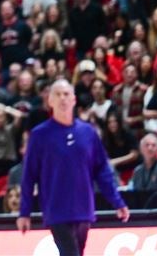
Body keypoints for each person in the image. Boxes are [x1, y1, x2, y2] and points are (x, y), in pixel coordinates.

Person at [18, 80, 129, 256]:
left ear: (74, 100)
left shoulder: (88, 132)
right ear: (50, 101)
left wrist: (117, 202)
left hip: (83, 208)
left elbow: (102, 170)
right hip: (56, 209)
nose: (62, 98)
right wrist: (24, 212)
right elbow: (29, 176)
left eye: (66, 94)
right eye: (58, 94)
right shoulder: (39, 135)